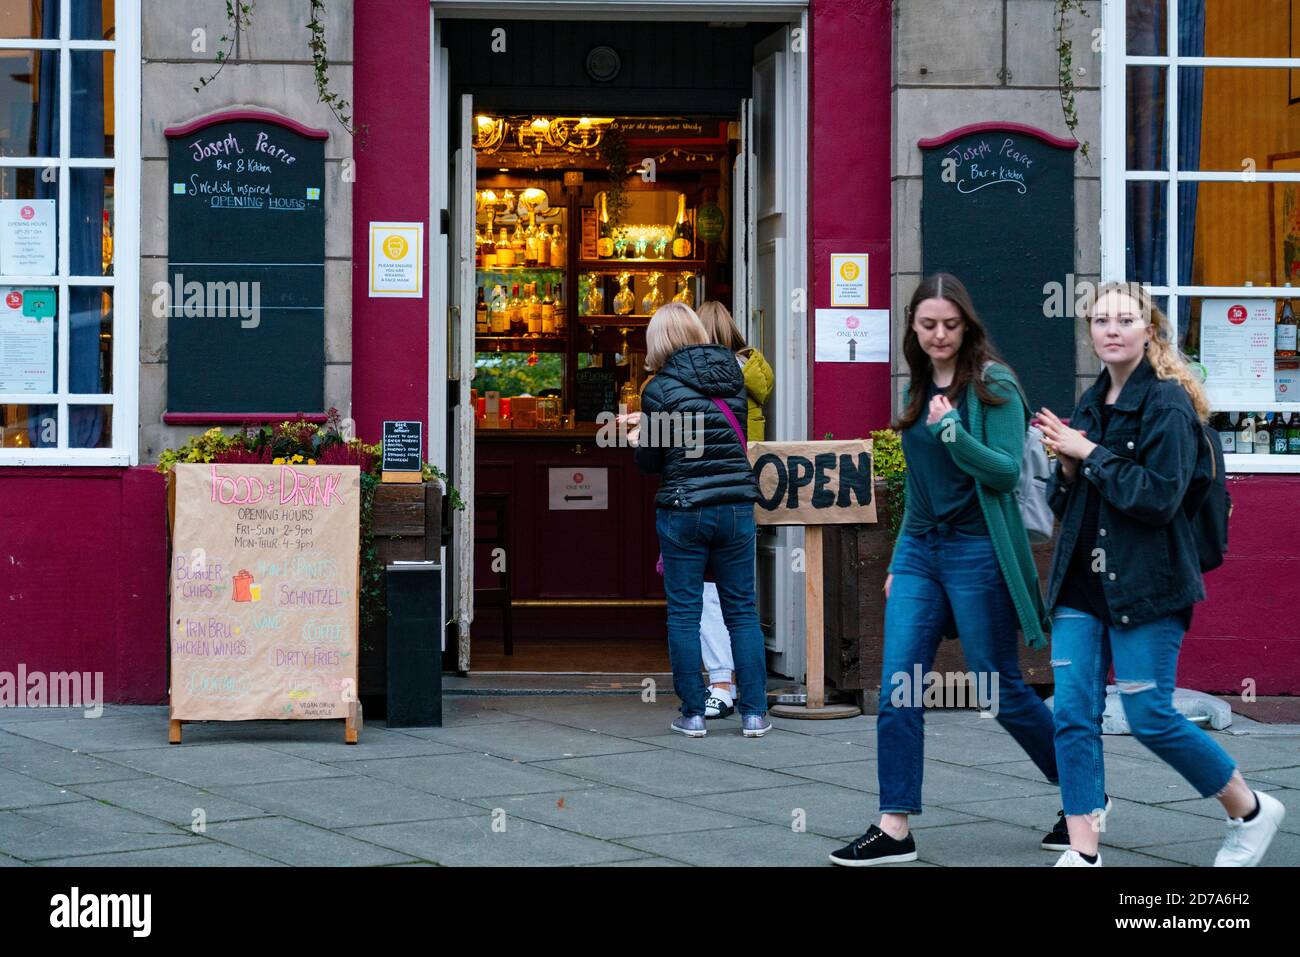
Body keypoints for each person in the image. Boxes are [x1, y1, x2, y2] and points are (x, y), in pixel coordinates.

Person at [1036, 282, 1285, 867]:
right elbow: (1062, 500)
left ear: (1149, 330)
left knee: (1150, 715)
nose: (1111, 329)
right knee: (1071, 714)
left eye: (1124, 319)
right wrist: (1069, 468)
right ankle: (1083, 851)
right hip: (1080, 582)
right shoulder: (1093, 401)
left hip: (1148, 583)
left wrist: (1088, 453)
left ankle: (1249, 809)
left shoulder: (1168, 403)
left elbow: (1160, 497)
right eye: (1100, 320)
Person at [831, 273, 1063, 866]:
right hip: (921, 554)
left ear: (967, 325)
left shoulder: (994, 385)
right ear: (913, 326)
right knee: (898, 687)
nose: (939, 335)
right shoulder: (916, 387)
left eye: (950, 325)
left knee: (1001, 687)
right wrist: (902, 556)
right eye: (928, 324)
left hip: (978, 551)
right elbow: (922, 487)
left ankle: (1083, 794)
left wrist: (954, 433)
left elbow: (1007, 472)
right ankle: (894, 826)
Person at [626, 302, 770, 738]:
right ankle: (755, 714)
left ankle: (692, 713)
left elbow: (652, 462)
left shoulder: (658, 390)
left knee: (684, 615)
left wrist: (637, 437)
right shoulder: (734, 380)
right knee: (742, 612)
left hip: (684, 509)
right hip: (735, 508)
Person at [691, 300, 775, 719]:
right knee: (741, 597)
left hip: (706, 494)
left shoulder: (698, 378)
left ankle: (721, 682)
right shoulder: (753, 374)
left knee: (706, 593)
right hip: (748, 491)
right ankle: (752, 698)